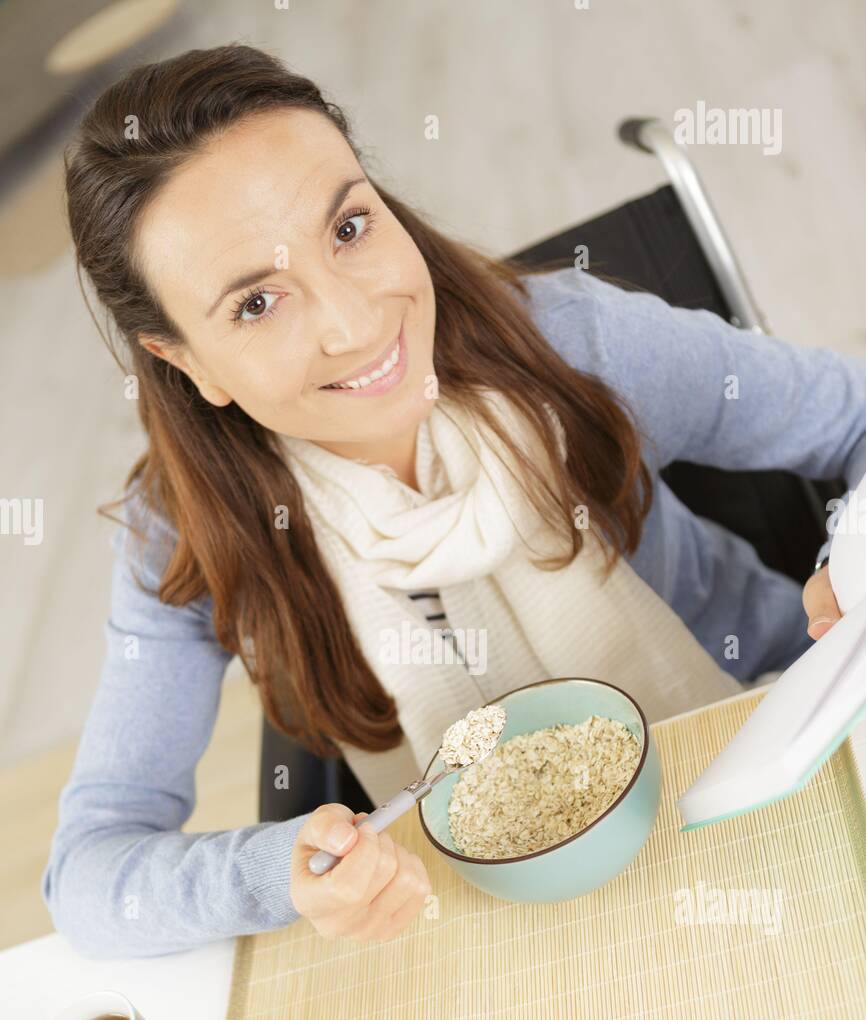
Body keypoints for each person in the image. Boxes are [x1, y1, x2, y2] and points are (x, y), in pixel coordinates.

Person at [43, 43, 866, 960]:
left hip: (779, 748)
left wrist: (857, 554)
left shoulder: (576, 343)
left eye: (349, 229)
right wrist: (275, 872)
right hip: (504, 920)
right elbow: (87, 874)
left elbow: (856, 420)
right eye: (255, 305)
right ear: (185, 361)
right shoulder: (184, 534)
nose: (356, 326)